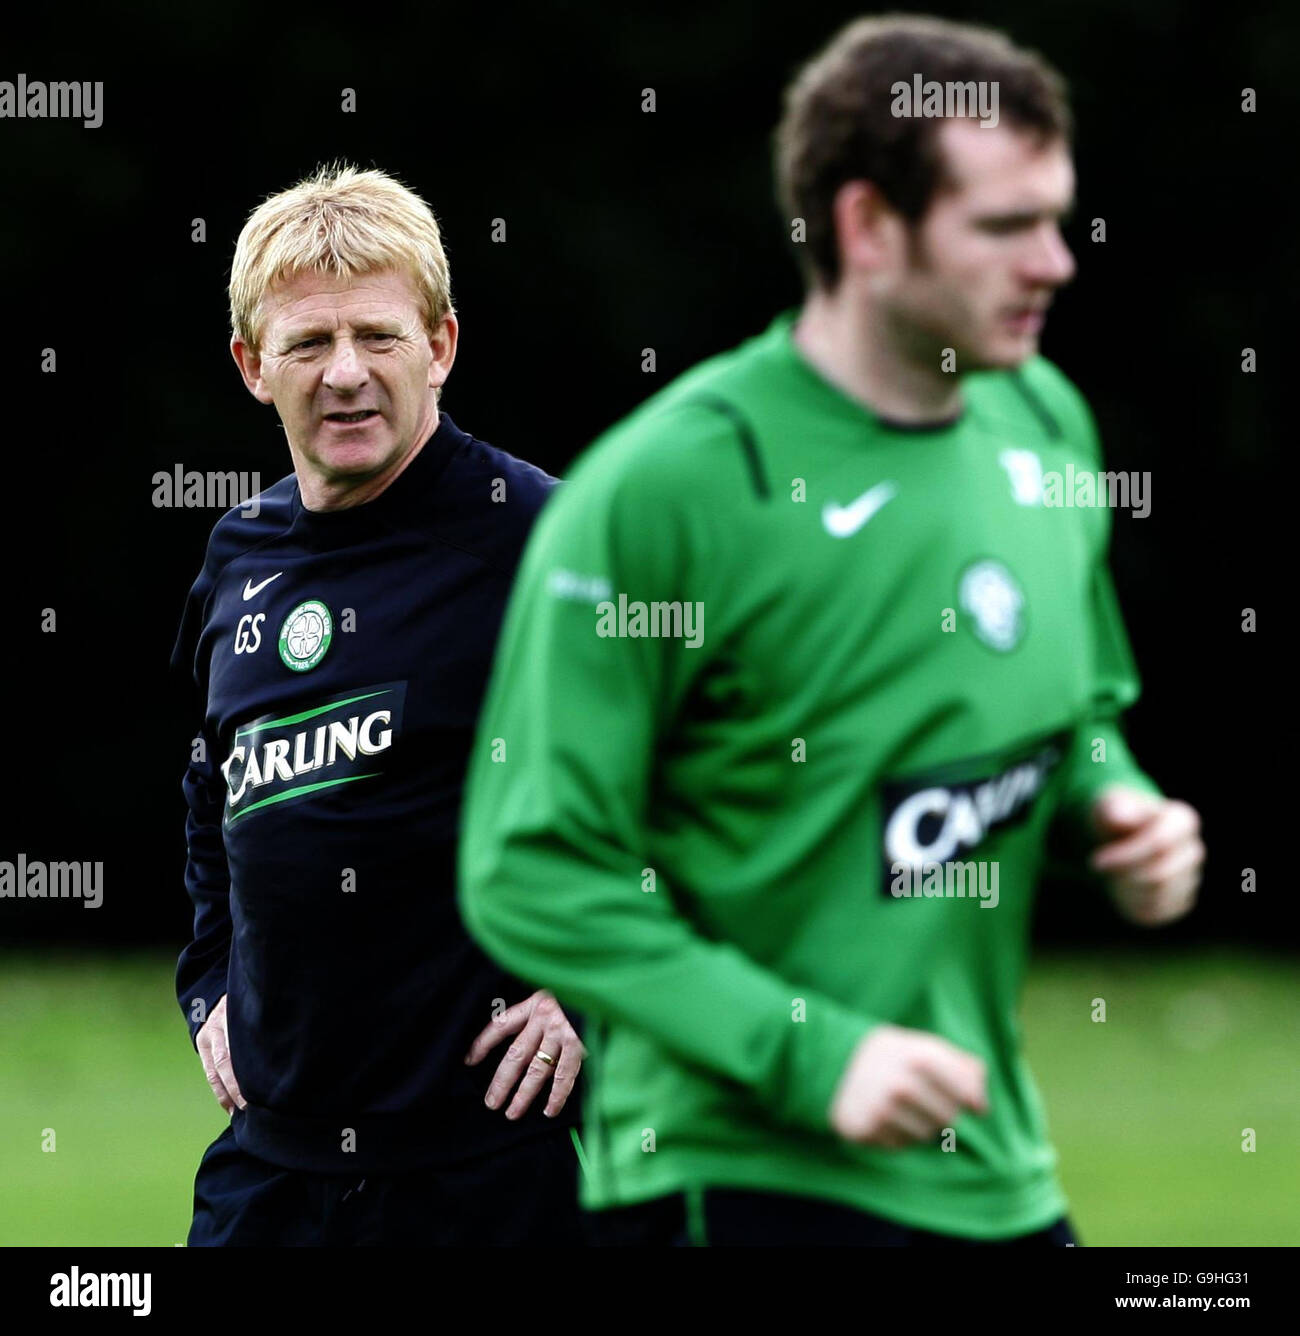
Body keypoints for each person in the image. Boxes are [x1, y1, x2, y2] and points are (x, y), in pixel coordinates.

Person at [458, 16, 1204, 1247]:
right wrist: (811, 1054)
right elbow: (529, 864)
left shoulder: (1043, 425)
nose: (1056, 262)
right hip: (733, 1173)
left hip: (987, 1164)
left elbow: (1082, 717)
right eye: (1005, 226)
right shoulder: (667, 491)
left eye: (1056, 217)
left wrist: (1114, 809)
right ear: (867, 227)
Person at [173, 163, 585, 1246]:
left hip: (485, 1169)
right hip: (273, 1172)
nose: (344, 374)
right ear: (252, 366)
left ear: (441, 345)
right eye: (308, 344)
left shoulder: (545, 540)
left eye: (380, 336)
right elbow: (210, 786)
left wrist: (595, 995)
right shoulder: (235, 557)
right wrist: (209, 980)